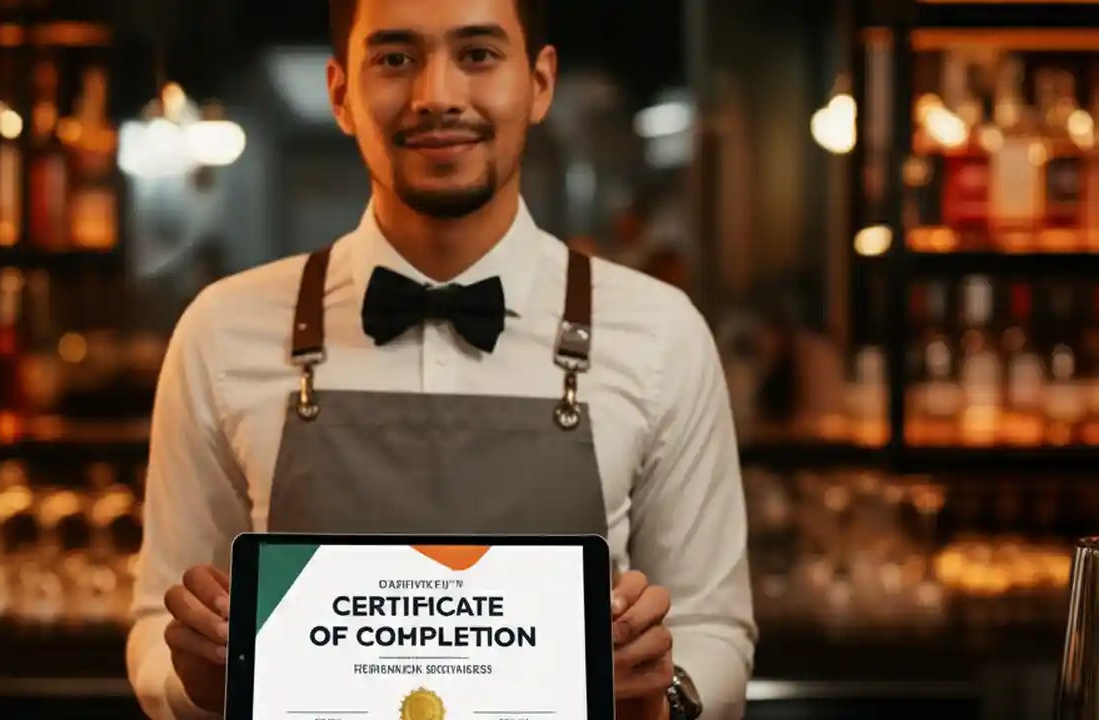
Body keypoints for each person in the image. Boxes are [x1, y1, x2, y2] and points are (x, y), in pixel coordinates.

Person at [125, 0, 757, 718]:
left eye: (478, 55)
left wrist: (663, 695)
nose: (437, 96)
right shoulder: (220, 330)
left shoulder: (661, 333)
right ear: (341, 93)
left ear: (539, 83)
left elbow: (713, 628)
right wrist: (201, 681)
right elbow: (156, 623)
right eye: (396, 58)